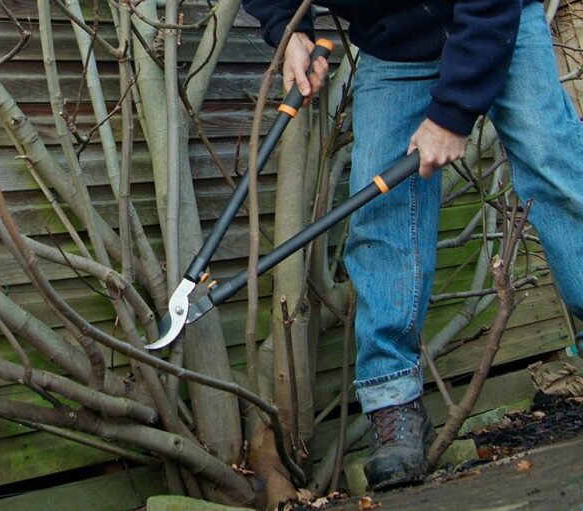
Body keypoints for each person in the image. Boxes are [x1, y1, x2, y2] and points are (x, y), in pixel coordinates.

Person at [242, 0, 583, 491]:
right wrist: (287, 30)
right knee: (380, 216)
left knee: (555, 169)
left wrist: (452, 113)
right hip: (392, 47)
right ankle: (393, 405)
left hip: (497, 17)